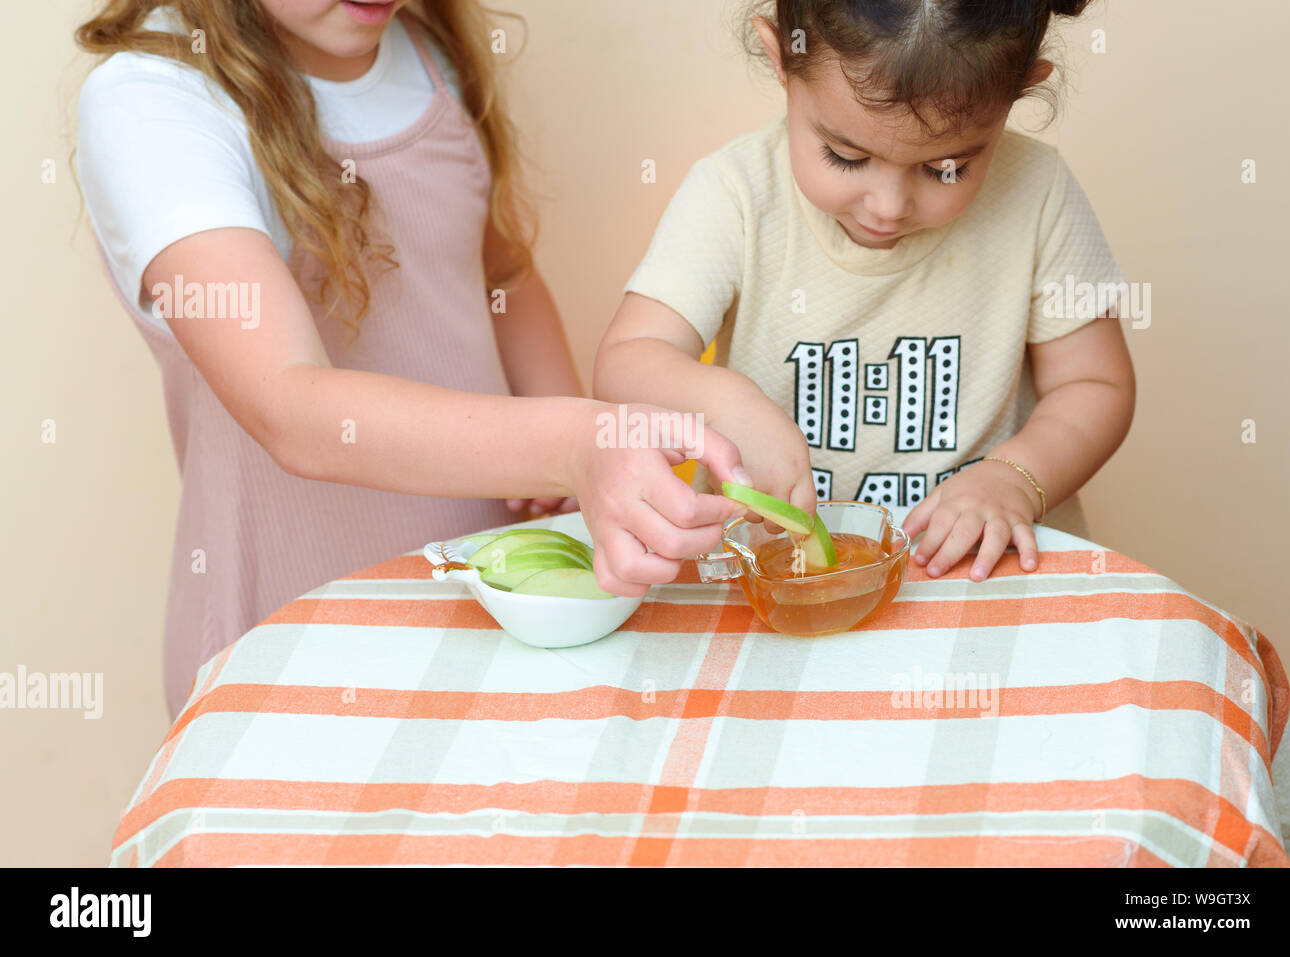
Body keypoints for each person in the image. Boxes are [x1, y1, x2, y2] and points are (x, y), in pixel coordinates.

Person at [75, 0, 746, 717]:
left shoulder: (429, 56)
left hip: (492, 605)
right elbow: (290, 405)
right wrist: (570, 442)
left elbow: (501, 277)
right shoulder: (153, 100)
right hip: (291, 643)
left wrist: (570, 477)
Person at [594, 0, 1136, 584]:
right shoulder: (735, 196)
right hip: (777, 582)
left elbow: (1094, 384)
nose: (889, 207)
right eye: (845, 157)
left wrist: (1016, 476)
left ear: (1019, 90)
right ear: (782, 59)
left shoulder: (1039, 193)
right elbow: (625, 363)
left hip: (980, 584)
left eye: (945, 168)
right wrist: (727, 405)